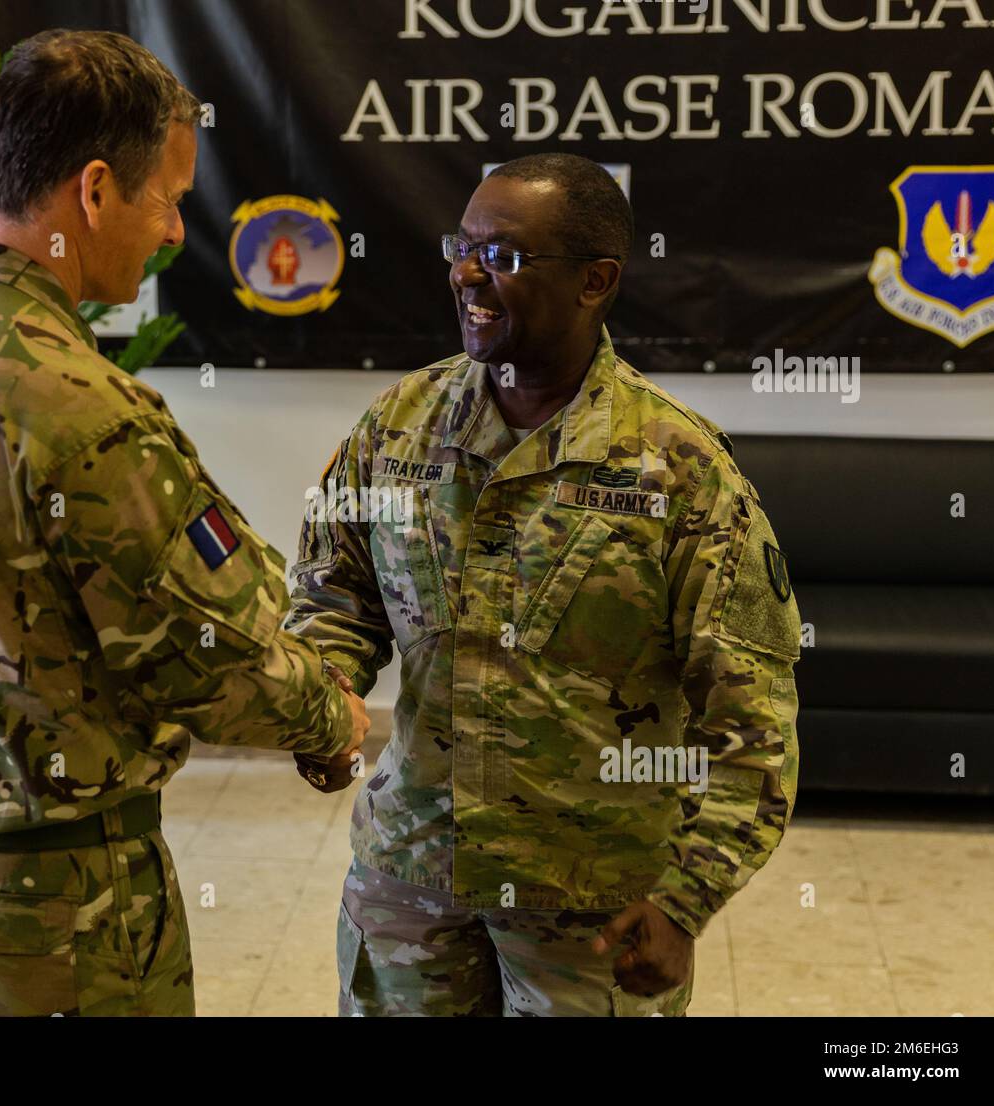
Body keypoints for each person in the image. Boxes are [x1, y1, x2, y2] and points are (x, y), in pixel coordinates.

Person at [0, 29, 368, 1017]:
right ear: (97, 189)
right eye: (168, 199)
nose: (169, 231)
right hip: (59, 909)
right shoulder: (79, 406)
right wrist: (333, 718)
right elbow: (213, 651)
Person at [287, 153, 800, 1017]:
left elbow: (753, 723)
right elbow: (337, 592)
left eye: (504, 257)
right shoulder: (396, 427)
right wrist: (323, 692)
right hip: (412, 881)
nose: (466, 272)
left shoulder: (682, 471)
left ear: (596, 281)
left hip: (590, 905)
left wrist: (686, 902)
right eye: (463, 246)